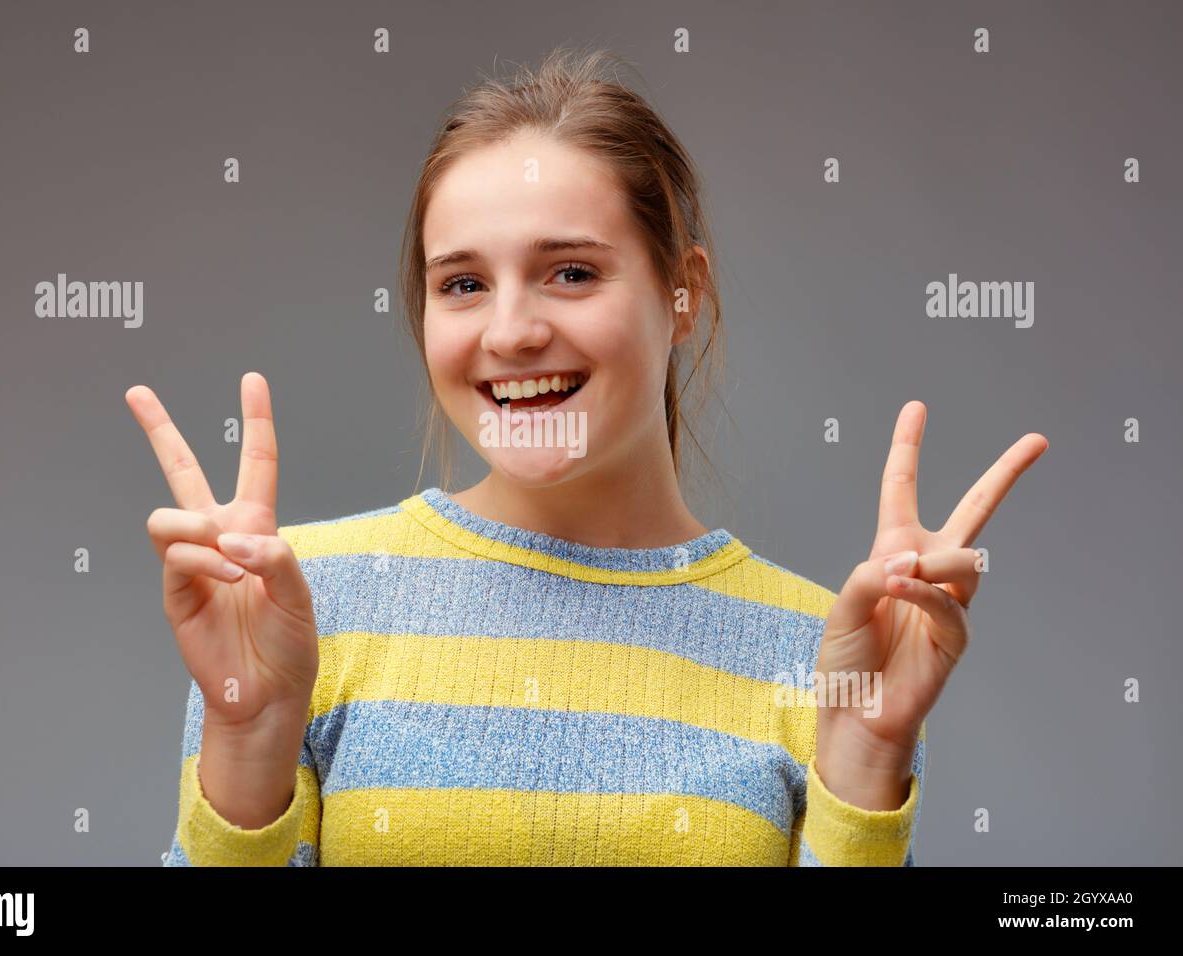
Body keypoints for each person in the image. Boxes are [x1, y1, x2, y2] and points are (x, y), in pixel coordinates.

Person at [127, 47, 1047, 866]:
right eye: (462, 284)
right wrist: (247, 742)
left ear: (682, 293)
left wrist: (868, 766)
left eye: (571, 271)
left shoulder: (834, 653)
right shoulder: (297, 605)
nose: (513, 330)